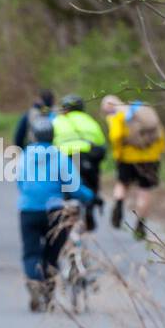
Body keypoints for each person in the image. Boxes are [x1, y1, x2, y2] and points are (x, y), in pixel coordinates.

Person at [17, 114, 94, 312]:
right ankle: (48, 291)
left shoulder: (25, 155)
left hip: (29, 210)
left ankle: (34, 282)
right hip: (55, 211)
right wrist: (90, 196)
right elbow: (74, 186)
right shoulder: (59, 156)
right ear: (53, 136)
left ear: (33, 136)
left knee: (31, 252)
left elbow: (20, 182)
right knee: (52, 255)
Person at [101, 94, 165, 239]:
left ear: (110, 106)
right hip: (151, 158)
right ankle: (140, 224)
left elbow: (116, 137)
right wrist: (157, 152)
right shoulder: (144, 111)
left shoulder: (117, 116)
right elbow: (160, 135)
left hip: (127, 158)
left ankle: (118, 203)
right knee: (144, 191)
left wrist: (118, 156)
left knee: (122, 185)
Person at [52, 94, 107, 231]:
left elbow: (50, 145)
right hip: (87, 159)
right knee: (91, 185)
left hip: (67, 158)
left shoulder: (58, 121)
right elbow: (101, 144)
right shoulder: (91, 121)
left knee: (66, 188)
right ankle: (90, 207)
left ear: (65, 109)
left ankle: (66, 215)